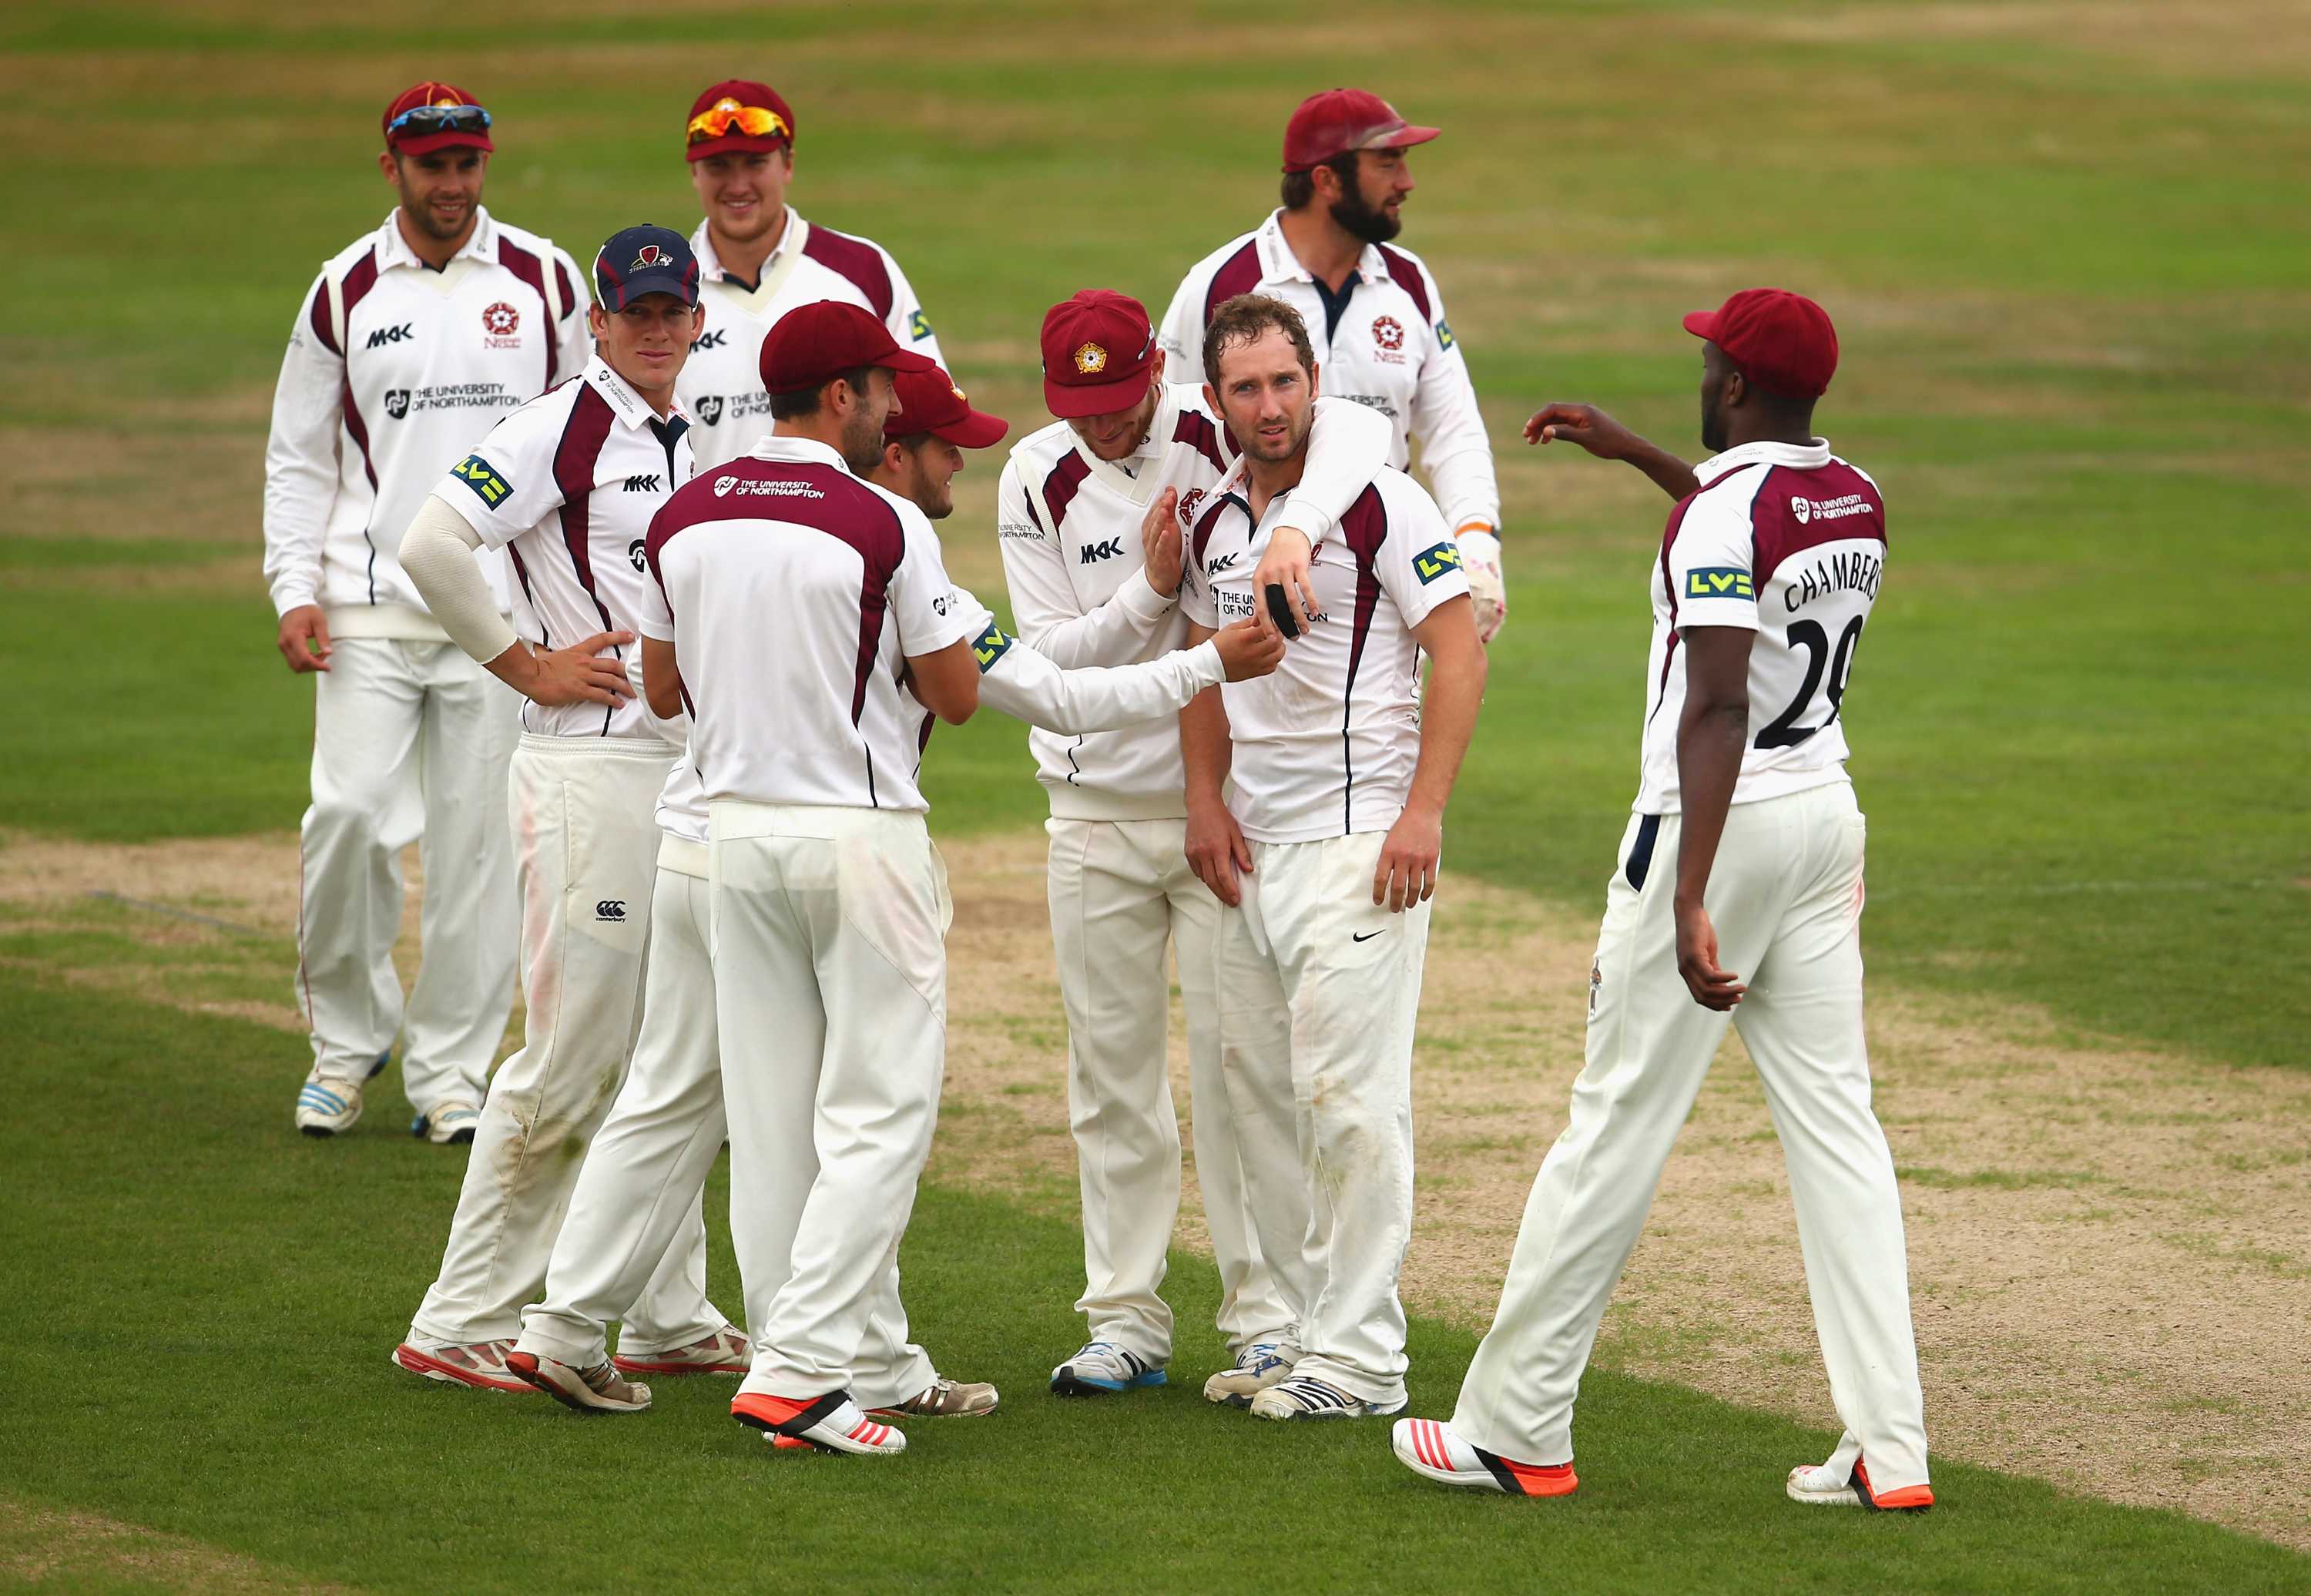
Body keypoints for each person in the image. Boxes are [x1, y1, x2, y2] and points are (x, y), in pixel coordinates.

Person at [505, 361, 1283, 1418]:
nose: (962, 461)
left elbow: (659, 688)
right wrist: (1203, 664)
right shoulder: (884, 533)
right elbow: (1012, 695)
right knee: (866, 1120)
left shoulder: (699, 509)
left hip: (705, 842)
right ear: (877, 433)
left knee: (707, 1106)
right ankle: (805, 1367)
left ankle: (624, 1331)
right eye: (942, 442)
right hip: (840, 847)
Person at [1390, 290, 1930, 1510]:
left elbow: (1720, 701)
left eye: (1708, 359)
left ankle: (1515, 1427)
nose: (1699, 369)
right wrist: (1637, 452)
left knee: (1615, 1126)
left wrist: (1689, 893)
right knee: (1841, 1138)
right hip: (1826, 821)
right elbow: (1743, 524)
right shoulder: (1851, 496)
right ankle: (1891, 1452)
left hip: (1716, 826)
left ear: (1735, 386)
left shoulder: (1726, 517)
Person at [995, 289, 1390, 1404]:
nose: (1109, 428)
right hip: (1090, 814)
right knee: (1111, 1080)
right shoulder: (1034, 473)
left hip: (1219, 810)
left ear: (1158, 378)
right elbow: (1053, 666)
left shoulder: (1214, 420)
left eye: (1124, 402)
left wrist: (1300, 524)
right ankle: (1124, 1322)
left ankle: (1269, 1320)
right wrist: (1154, 591)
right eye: (1085, 409)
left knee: (1245, 1074)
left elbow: (1354, 429)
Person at [388, 226, 743, 1393]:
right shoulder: (561, 426)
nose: (653, 327)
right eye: (632, 310)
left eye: (671, 309)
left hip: (670, 773)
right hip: (588, 773)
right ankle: (461, 1319)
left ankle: (666, 1310)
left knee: (671, 1048)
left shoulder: (683, 435)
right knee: (578, 1052)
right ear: (596, 319)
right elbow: (430, 543)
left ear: (697, 320)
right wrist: (527, 664)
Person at [1179, 293, 1488, 1422]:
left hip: (1362, 846)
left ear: (1317, 382)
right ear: (1215, 401)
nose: (1270, 407)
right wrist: (1203, 799)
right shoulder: (1215, 521)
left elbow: (1456, 651)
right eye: (1247, 389)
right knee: (1260, 1097)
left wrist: (1425, 813)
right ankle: (1297, 1336)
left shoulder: (1384, 503)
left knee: (1351, 1104)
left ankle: (1361, 1362)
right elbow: (1206, 673)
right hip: (1250, 854)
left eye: (1286, 383)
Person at [265, 81, 587, 1144]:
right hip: (367, 608)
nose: (450, 184)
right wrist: (292, 588)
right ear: (391, 166)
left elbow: (583, 449)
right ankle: (346, 1048)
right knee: (348, 818)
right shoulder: (344, 288)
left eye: (466, 163)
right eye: (430, 164)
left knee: (478, 850)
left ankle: (450, 1072)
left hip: (499, 621)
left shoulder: (544, 279)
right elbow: (299, 454)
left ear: (486, 163)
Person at [1157, 88, 1508, 645]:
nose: (1406, 182)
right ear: (1327, 180)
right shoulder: (1219, 282)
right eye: (1387, 162)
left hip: (1385, 571)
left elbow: (1452, 428)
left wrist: (1476, 540)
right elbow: (1174, 436)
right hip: (1251, 577)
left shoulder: (1409, 281)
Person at [673, 78, 943, 468]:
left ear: (787, 165)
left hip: (845, 528)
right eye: (718, 166)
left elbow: (924, 409)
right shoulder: (661, 293)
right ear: (695, 173)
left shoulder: (863, 269)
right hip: (702, 528)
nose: (737, 185)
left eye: (755, 162)